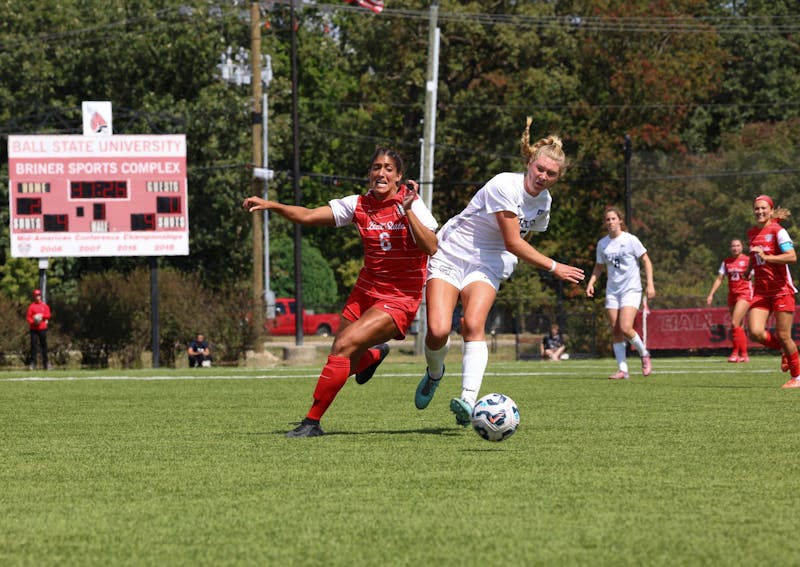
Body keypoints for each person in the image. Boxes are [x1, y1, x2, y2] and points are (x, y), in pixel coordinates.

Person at [243, 147, 438, 437]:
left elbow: (431, 247)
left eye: (387, 169)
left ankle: (311, 422)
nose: (380, 173)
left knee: (343, 347)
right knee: (344, 356)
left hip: (398, 298)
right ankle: (372, 358)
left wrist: (408, 209)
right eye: (376, 167)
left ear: (399, 176)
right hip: (364, 291)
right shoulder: (358, 204)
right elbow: (309, 216)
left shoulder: (411, 204)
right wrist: (273, 205)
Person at [414, 117, 585, 426]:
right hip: (451, 254)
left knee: (472, 323)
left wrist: (509, 259)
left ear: (558, 177)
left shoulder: (544, 202)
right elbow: (513, 240)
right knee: (438, 330)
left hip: (488, 262)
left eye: (552, 174)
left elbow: (521, 239)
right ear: (530, 163)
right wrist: (554, 266)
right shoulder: (503, 184)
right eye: (540, 169)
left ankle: (467, 400)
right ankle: (435, 373)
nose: (543, 177)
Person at [586, 206, 655, 380]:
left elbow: (646, 260)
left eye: (613, 219)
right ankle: (623, 370)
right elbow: (599, 267)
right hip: (612, 291)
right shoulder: (602, 244)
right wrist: (591, 282)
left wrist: (650, 284)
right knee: (616, 330)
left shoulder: (630, 240)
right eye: (607, 220)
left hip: (631, 289)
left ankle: (644, 354)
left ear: (620, 221)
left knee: (625, 327)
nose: (610, 222)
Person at [744, 195, 799, 388]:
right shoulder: (752, 232)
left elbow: (792, 257)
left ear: (770, 210)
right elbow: (754, 257)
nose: (759, 211)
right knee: (755, 332)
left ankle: (798, 377)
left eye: (763, 208)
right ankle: (785, 351)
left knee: (784, 336)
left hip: (781, 290)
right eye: (756, 208)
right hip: (761, 291)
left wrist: (767, 258)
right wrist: (748, 269)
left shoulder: (779, 231)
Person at [706, 238, 753, 362]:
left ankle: (735, 353)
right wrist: (711, 294)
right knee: (739, 325)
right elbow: (719, 279)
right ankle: (744, 355)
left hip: (745, 293)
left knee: (734, 322)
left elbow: (757, 276)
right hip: (732, 295)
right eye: (733, 246)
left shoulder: (748, 260)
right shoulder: (727, 262)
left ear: (742, 247)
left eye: (738, 245)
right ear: (730, 248)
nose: (735, 248)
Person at [26, 289, 51, 370]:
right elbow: (28, 317)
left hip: (42, 328)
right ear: (34, 296)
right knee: (33, 346)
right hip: (34, 329)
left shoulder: (44, 306)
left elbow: (48, 315)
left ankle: (46, 363)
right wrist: (33, 321)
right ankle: (33, 363)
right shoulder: (31, 307)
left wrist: (41, 316)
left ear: (41, 296)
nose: (38, 297)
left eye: (39, 295)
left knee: (44, 346)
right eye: (36, 295)